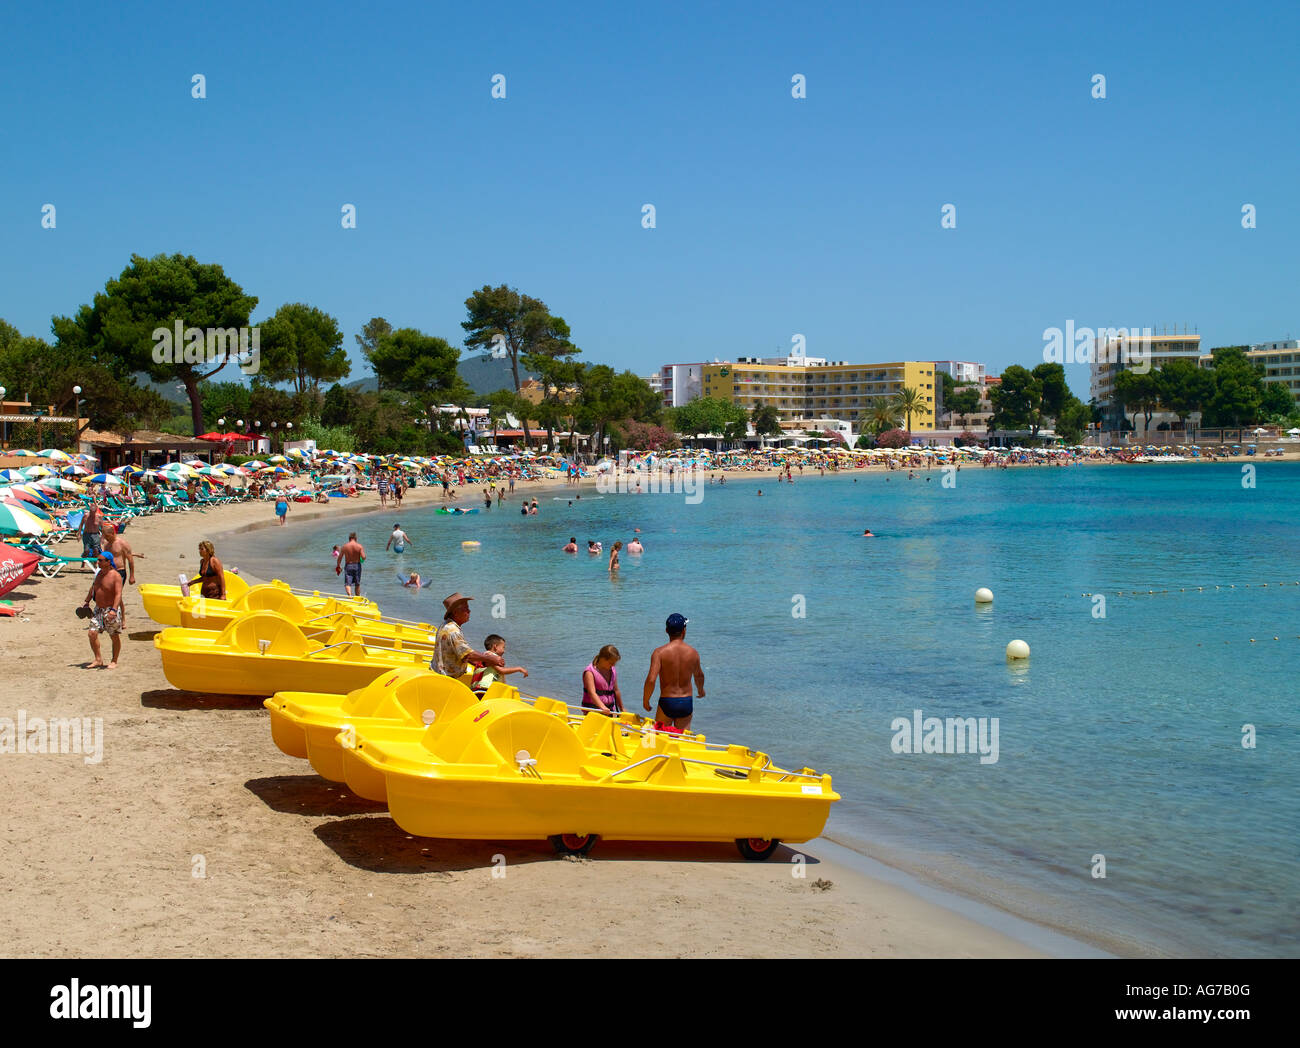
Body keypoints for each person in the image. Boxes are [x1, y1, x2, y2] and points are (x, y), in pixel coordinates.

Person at [642, 613, 704, 731]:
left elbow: (651, 680)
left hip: (667, 701)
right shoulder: (693, 652)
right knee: (683, 739)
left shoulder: (659, 653)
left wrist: (646, 700)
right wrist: (700, 690)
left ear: (666, 630)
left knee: (660, 737)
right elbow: (699, 676)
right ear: (684, 631)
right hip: (686, 702)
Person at [430, 593, 503, 679]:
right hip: (446, 677)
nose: (469, 611)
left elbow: (460, 652)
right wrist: (491, 658)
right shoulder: (454, 631)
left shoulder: (445, 625)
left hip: (438, 671)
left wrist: (480, 662)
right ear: (455, 613)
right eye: (466, 609)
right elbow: (468, 654)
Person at [82, 551, 124, 669]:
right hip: (98, 609)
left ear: (108, 562)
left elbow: (118, 594)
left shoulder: (116, 576)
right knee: (92, 633)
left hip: (110, 609)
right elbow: (93, 588)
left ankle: (114, 660)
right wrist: (86, 601)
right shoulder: (99, 573)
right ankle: (98, 659)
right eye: (98, 560)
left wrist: (114, 610)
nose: (98, 562)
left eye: (100, 560)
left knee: (114, 636)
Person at [100, 522, 136, 624]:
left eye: (107, 536)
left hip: (120, 572)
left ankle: (122, 618)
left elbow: (130, 560)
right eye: (104, 536)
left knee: (116, 594)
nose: (106, 538)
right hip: (109, 572)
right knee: (107, 594)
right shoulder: (106, 545)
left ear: (113, 533)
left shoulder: (122, 543)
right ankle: (109, 616)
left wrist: (132, 576)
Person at [582, 645, 623, 715]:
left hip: (609, 710)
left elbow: (616, 691)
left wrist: (622, 708)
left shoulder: (612, 670)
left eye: (614, 663)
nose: (613, 665)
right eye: (611, 663)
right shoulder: (589, 672)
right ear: (602, 659)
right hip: (593, 711)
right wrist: (602, 707)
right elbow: (592, 693)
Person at [338, 532, 365, 596]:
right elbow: (363, 557)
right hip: (357, 565)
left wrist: (338, 566)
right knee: (357, 584)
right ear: (356, 538)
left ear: (349, 539)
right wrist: (361, 558)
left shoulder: (345, 546)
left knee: (347, 584)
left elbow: (340, 558)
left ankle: (350, 596)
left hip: (348, 565)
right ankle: (357, 597)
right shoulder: (359, 546)